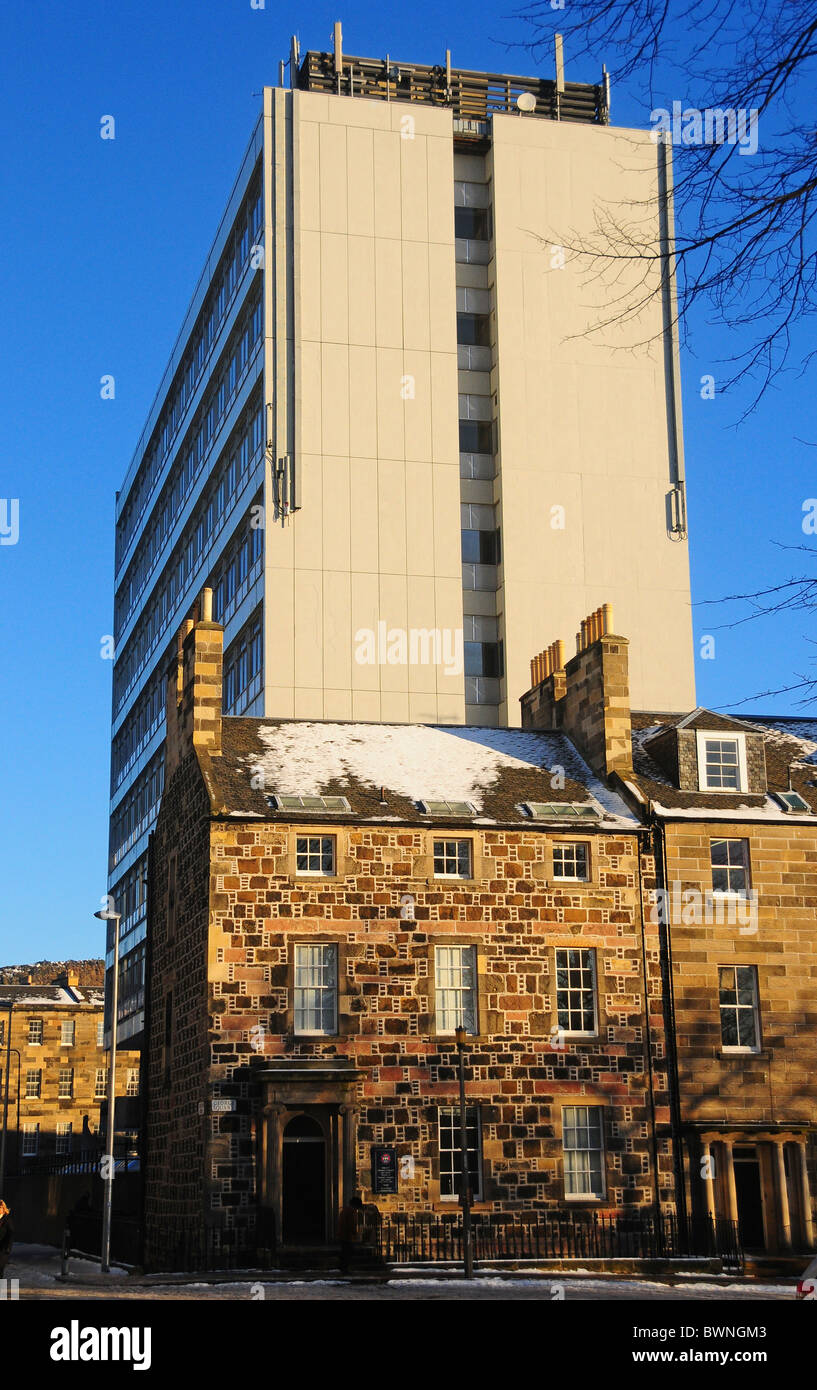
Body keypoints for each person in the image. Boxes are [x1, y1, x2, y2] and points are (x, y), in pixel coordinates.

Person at [337, 1194, 363, 1273]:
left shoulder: (345, 1210)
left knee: (346, 1251)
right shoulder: (352, 1211)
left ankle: (343, 1266)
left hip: (343, 1234)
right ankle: (344, 1267)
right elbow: (351, 1224)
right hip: (347, 1235)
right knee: (348, 1252)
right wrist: (355, 1233)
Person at [0, 1200, 13, 1278]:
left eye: (0, 1207)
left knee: (1, 1269)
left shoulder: (7, 1219)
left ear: (4, 1208)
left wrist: (8, 1247)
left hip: (3, 1249)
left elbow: (11, 1234)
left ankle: (1, 1288)